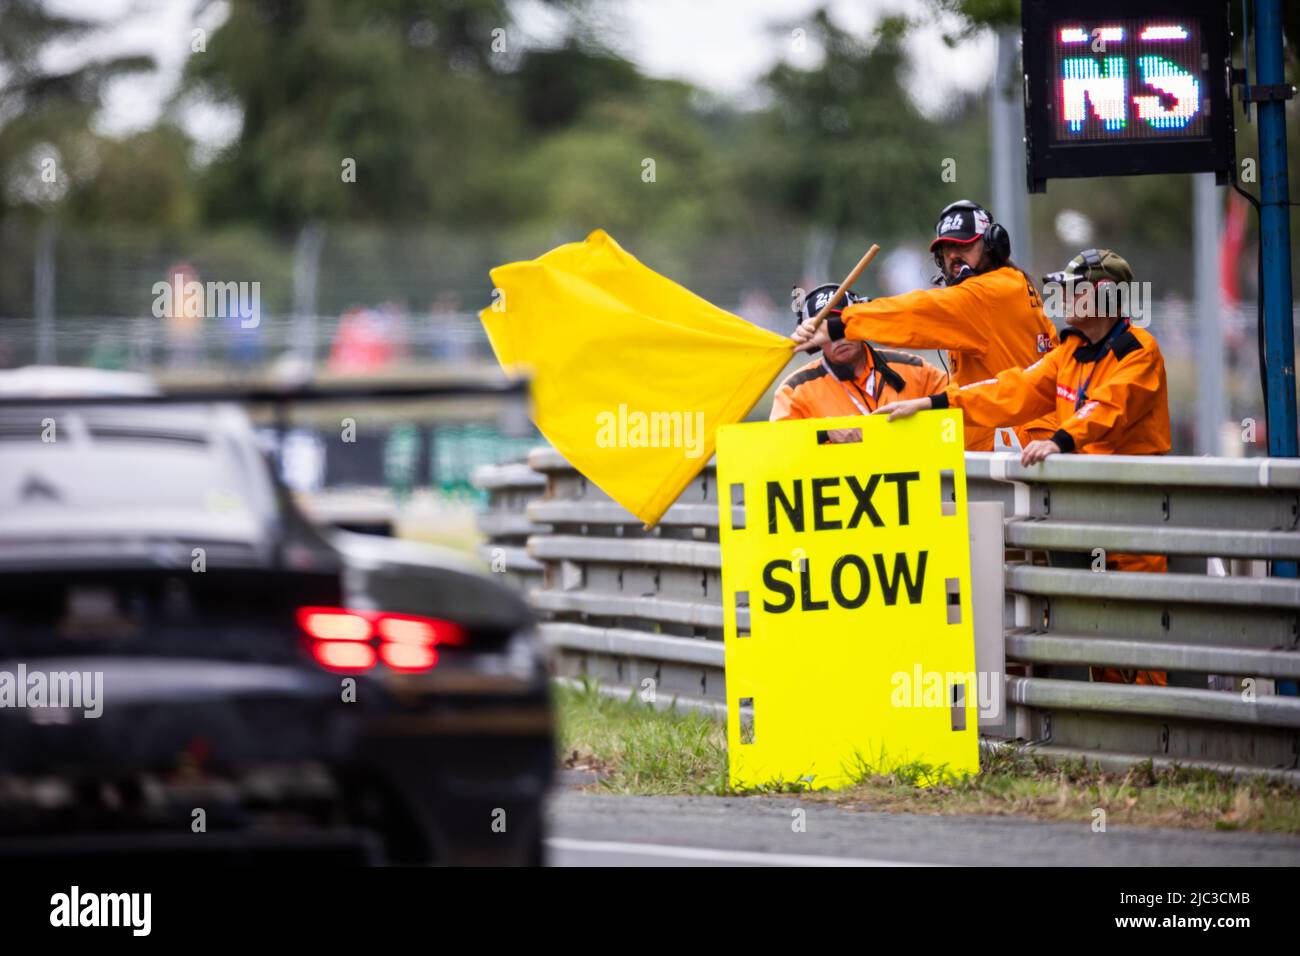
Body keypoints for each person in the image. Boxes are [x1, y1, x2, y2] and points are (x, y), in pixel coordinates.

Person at [875, 249, 1171, 685]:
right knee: (1093, 622)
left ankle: (1152, 729)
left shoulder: (1140, 353)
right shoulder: (1070, 351)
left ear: (1104, 297)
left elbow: (1111, 407)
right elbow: (1011, 389)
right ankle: (1111, 724)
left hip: (1133, 509)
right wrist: (938, 402)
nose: (1063, 298)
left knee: (1140, 625)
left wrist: (1059, 440)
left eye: (1074, 290)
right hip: (1086, 503)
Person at [792, 199, 1059, 451]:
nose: (954, 258)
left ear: (992, 246)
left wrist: (840, 325)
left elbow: (916, 313)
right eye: (947, 251)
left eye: (965, 247)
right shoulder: (1006, 287)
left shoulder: (987, 294)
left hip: (1018, 444)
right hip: (1016, 438)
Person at [771, 284, 948, 424]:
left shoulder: (916, 370)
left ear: (861, 322)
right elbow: (782, 451)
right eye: (823, 331)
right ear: (812, 341)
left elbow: (960, 403)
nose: (837, 338)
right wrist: (825, 433)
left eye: (841, 325)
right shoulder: (794, 392)